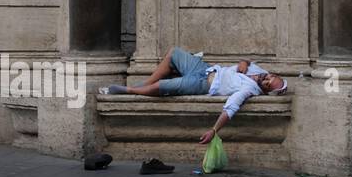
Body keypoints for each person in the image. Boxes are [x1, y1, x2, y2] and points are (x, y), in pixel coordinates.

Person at [98, 47, 288, 144]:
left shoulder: (249, 90)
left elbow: (230, 108)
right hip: (205, 68)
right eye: (271, 77)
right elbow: (246, 60)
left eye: (267, 83)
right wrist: (244, 62)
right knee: (174, 53)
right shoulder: (259, 70)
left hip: (202, 84)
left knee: (163, 86)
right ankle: (143, 86)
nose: (266, 78)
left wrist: (213, 131)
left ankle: (130, 91)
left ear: (264, 90)